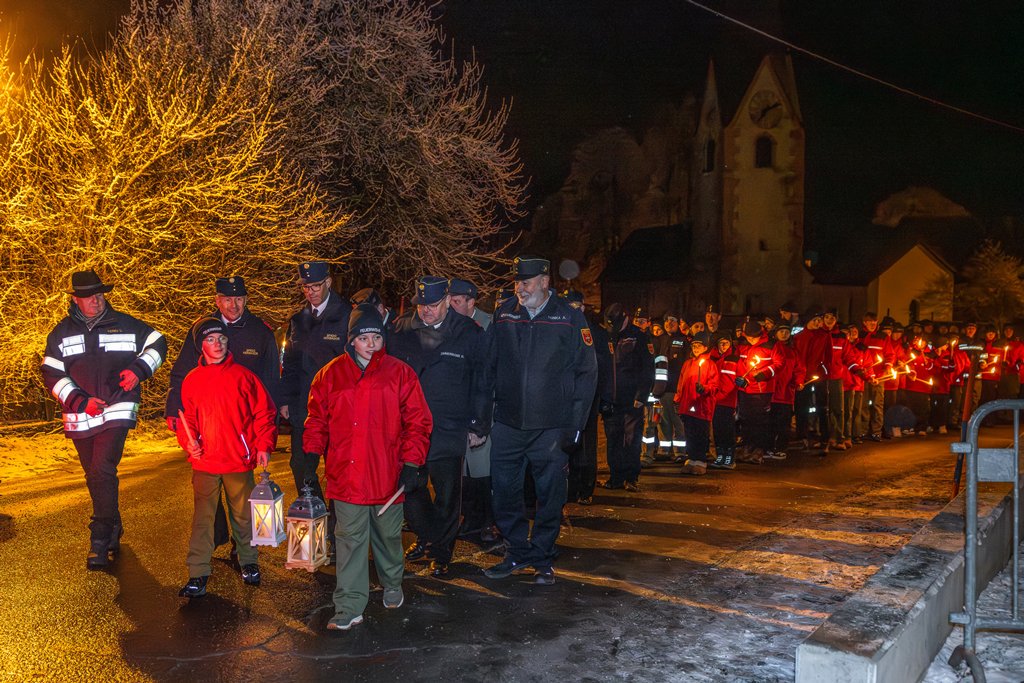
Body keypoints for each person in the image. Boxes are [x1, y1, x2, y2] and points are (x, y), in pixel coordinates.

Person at [304, 304, 433, 631]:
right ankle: (349, 605)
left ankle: (392, 582)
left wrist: (411, 463)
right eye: (364, 337)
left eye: (377, 336)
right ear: (352, 340)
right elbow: (316, 420)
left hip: (387, 474)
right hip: (346, 475)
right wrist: (309, 457)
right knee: (348, 541)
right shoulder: (331, 374)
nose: (371, 343)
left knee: (388, 538)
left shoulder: (400, 373)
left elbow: (418, 422)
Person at [482, 256, 597, 586]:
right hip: (507, 423)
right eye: (517, 281)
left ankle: (543, 556)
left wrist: (575, 425)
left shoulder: (569, 318)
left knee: (550, 495)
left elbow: (587, 373)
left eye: (527, 281)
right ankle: (517, 550)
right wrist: (486, 413)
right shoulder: (504, 314)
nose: (520, 287)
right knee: (504, 491)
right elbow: (489, 366)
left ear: (545, 282)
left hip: (551, 426)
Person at [41, 270, 167, 568]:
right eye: (89, 297)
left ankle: (99, 541)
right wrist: (80, 401)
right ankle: (113, 525)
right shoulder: (60, 333)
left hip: (116, 411)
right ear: (75, 300)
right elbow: (51, 373)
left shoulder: (124, 323)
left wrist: (139, 370)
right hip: (80, 416)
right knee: (96, 477)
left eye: (99, 295)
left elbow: (158, 343)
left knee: (101, 469)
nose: (96, 301)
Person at [165, 276, 281, 556]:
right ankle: (217, 536)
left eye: (239, 299)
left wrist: (269, 431)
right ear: (217, 301)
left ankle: (242, 549)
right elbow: (182, 372)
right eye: (227, 299)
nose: (234, 305)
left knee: (240, 495)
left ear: (246, 300)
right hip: (209, 422)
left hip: (243, 425)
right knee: (208, 491)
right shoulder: (201, 330)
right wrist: (173, 409)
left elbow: (270, 380)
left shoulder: (260, 332)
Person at [389, 276, 489, 579]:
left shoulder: (469, 333)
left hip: (449, 425)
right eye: (422, 306)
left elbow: (482, 382)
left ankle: (442, 553)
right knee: (410, 488)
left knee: (447, 494)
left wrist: (477, 424)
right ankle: (428, 535)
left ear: (447, 301)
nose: (426, 312)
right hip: (409, 426)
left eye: (432, 305)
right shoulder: (401, 329)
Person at [175, 318, 277, 598]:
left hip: (237, 460)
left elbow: (264, 414)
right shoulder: (192, 380)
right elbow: (188, 421)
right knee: (203, 519)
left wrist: (263, 445)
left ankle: (249, 562)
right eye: (210, 340)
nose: (217, 344)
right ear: (201, 346)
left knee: (243, 516)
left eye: (221, 338)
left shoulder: (244, 376)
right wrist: (188, 442)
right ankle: (197, 572)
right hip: (205, 462)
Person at [280, 260, 350, 550]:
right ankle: (320, 526)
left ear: (329, 283)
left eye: (316, 285)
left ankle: (340, 531)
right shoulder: (298, 320)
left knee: (338, 472)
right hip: (305, 409)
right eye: (306, 287)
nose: (311, 292)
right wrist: (285, 400)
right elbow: (291, 364)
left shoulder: (347, 315)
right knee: (301, 466)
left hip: (338, 411)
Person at [449, 278, 500, 538]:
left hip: (484, 408)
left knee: (483, 466)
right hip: (459, 406)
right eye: (449, 301)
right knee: (464, 468)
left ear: (471, 302)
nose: (451, 306)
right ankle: (469, 518)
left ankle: (489, 520)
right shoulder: (449, 326)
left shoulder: (489, 325)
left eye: (456, 302)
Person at [598, 303, 654, 490]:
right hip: (610, 398)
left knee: (631, 440)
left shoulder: (639, 336)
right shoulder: (606, 335)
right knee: (613, 440)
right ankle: (615, 478)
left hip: (632, 399)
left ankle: (631, 478)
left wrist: (641, 395)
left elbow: (648, 369)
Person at [735, 320, 780, 464]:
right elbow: (738, 363)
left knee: (760, 420)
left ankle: (759, 449)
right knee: (745, 418)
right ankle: (747, 446)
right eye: (749, 337)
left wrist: (764, 373)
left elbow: (779, 363)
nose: (751, 340)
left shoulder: (771, 345)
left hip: (762, 390)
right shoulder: (742, 345)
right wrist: (742, 378)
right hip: (745, 388)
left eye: (754, 337)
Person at [674, 331, 718, 475]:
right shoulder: (687, 363)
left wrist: (703, 389)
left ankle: (700, 461)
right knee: (690, 434)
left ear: (706, 347)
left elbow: (714, 386)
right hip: (688, 406)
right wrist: (678, 399)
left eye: (699, 345)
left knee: (700, 434)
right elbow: (681, 383)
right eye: (694, 345)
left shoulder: (710, 364)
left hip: (701, 406)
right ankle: (691, 459)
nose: (696, 348)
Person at [767, 323, 805, 460]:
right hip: (771, 392)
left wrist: (799, 381)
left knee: (783, 422)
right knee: (770, 422)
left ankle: (781, 448)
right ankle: (769, 447)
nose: (784, 334)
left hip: (786, 392)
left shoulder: (793, 351)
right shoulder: (771, 347)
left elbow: (799, 369)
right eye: (781, 331)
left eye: (786, 331)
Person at [654, 314, 689, 460]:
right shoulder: (660, 340)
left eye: (673, 320)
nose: (669, 323)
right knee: (663, 421)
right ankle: (664, 451)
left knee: (677, 421)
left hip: (676, 388)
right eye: (667, 320)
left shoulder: (683, 341)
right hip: (661, 389)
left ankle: (680, 452)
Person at [710, 336, 739, 469]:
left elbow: (742, 376)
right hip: (714, 400)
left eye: (726, 343)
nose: (723, 346)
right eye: (721, 343)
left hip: (728, 400)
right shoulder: (712, 358)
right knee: (717, 429)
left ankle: (730, 456)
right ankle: (720, 454)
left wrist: (743, 382)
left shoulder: (734, 358)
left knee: (728, 429)